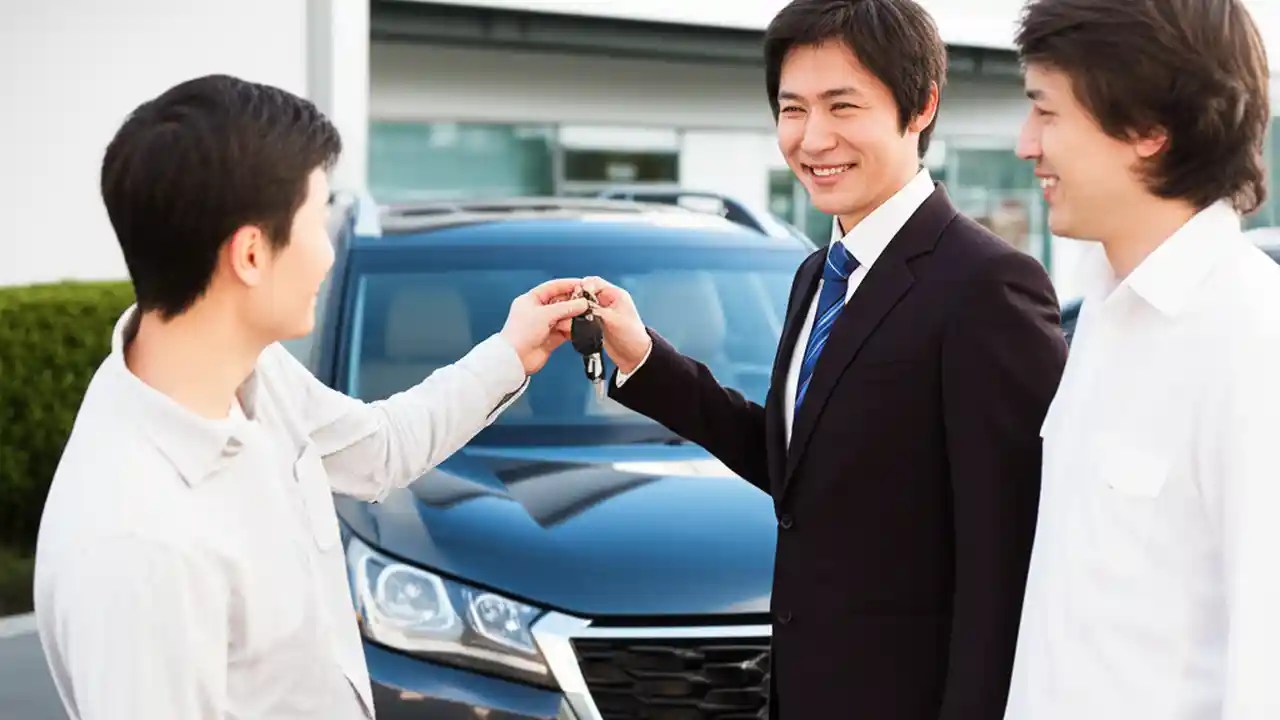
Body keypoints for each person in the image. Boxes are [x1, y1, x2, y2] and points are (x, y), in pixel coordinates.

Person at [32, 74, 589, 720]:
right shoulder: (136, 543)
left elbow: (381, 450)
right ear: (249, 254)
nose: (327, 255)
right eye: (317, 222)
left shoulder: (257, 374)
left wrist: (510, 352)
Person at [578, 0, 1067, 717]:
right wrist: (646, 360)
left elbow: (1007, 567)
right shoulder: (818, 274)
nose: (813, 139)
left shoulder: (988, 286)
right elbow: (798, 471)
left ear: (920, 106)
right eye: (792, 108)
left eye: (843, 106)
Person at [1005, 2, 1280, 719]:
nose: (1025, 144)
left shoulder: (1254, 339)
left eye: (1047, 112)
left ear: (1148, 129)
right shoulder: (1101, 313)